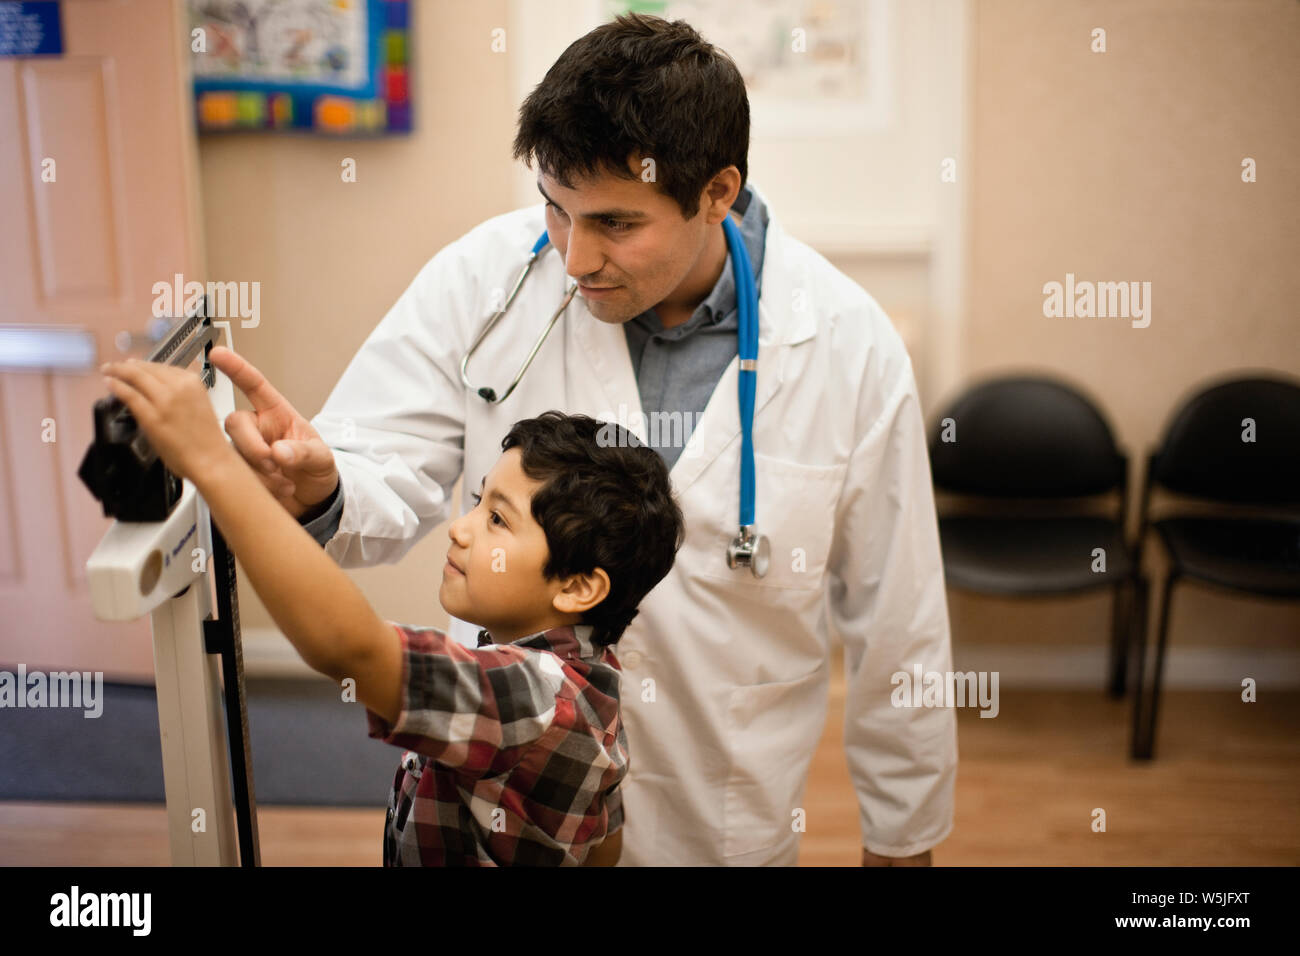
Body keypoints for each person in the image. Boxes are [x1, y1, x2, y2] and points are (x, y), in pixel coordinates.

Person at [205, 12, 956, 866]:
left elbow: (899, 620)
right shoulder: (484, 281)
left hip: (725, 815)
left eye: (615, 224)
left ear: (717, 192)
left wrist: (905, 837)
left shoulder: (847, 343)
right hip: (516, 815)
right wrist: (319, 484)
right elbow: (378, 472)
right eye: (556, 211)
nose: (572, 257)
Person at [94, 365, 684, 866]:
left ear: (579, 587)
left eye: (498, 520)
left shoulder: (535, 697)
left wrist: (213, 467)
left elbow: (351, 650)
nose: (461, 526)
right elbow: (603, 841)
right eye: (478, 502)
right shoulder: (592, 676)